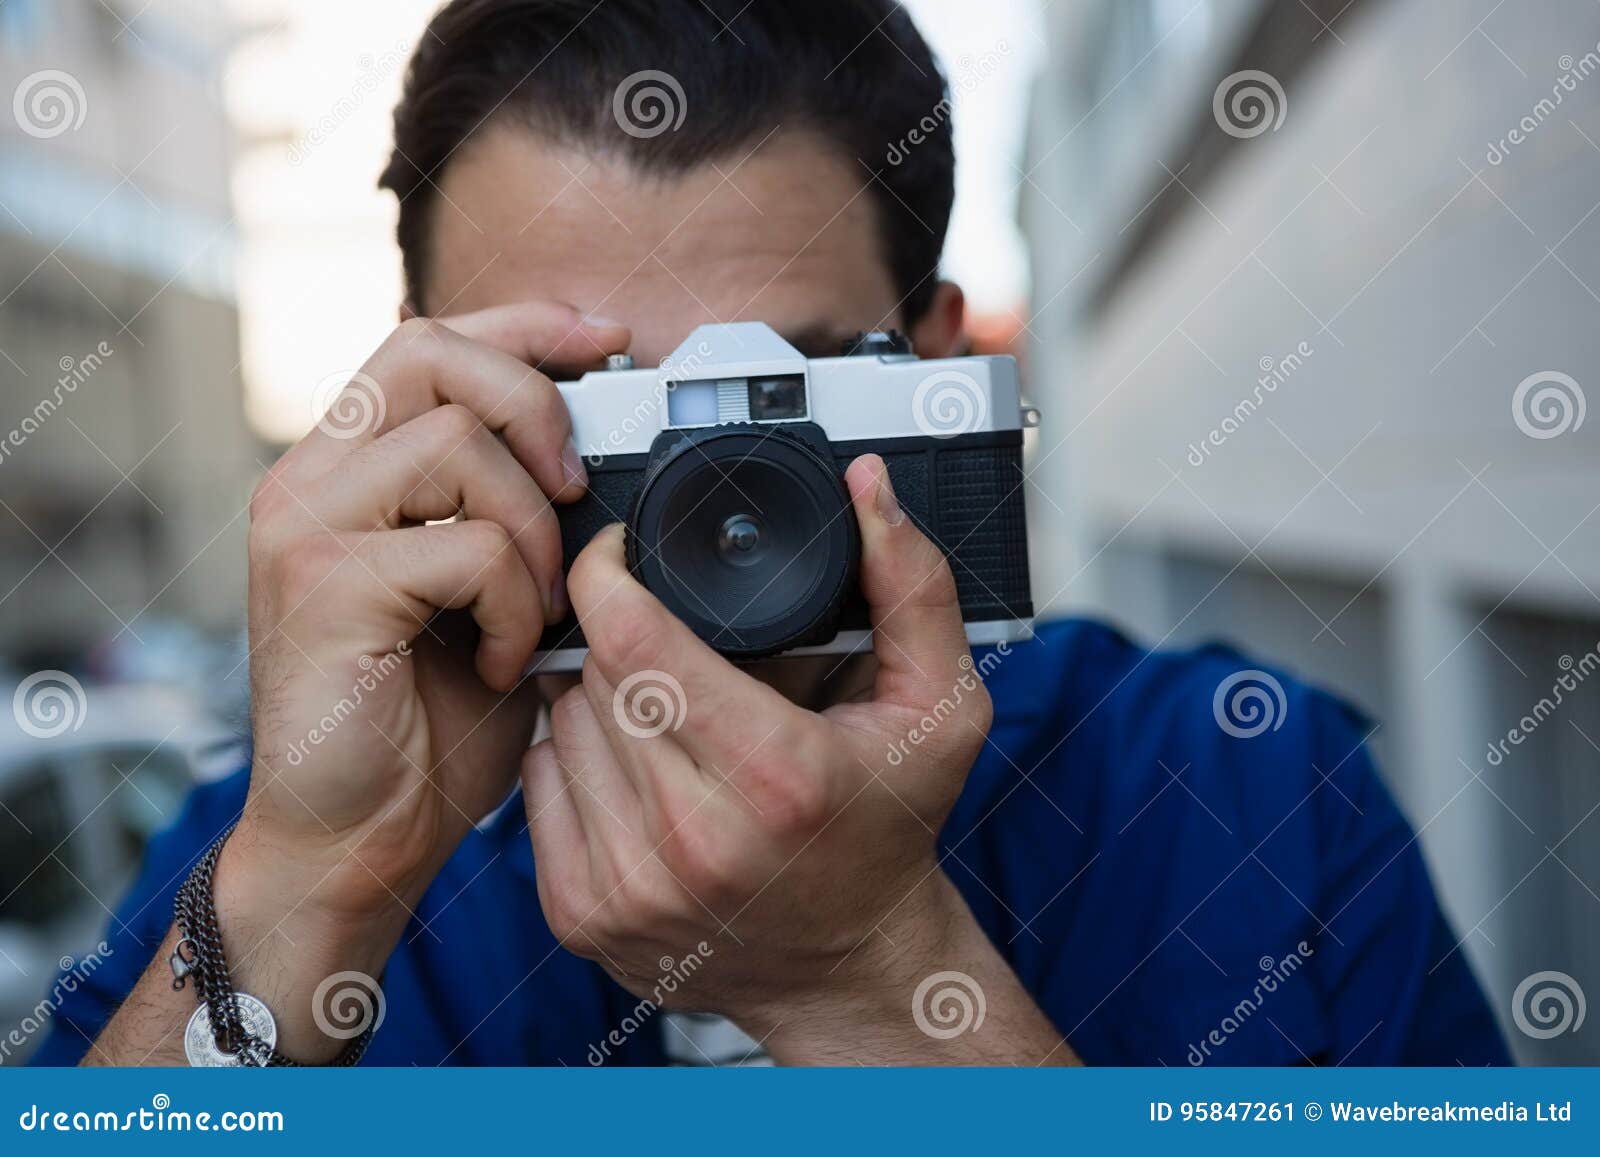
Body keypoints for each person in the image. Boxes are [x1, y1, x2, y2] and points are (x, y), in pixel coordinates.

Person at [35, 0, 1506, 1067]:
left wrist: (874, 981)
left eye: (783, 403)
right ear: (431, 398)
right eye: (593, 411)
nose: (706, 511)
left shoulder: (1249, 801)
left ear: (946, 384)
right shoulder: (293, 846)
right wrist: (317, 887)